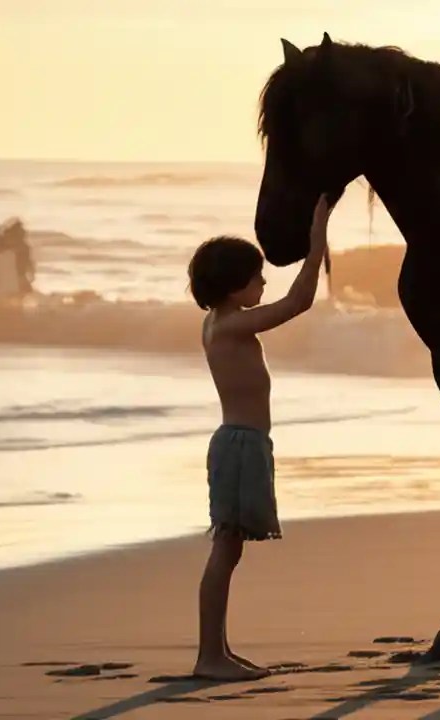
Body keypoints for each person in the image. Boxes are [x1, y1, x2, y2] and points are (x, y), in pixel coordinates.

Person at [184, 195, 332, 680]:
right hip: (240, 445)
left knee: (230, 549)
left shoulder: (218, 321)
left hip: (243, 444)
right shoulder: (229, 325)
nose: (264, 283)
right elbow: (298, 302)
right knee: (225, 549)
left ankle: (219, 650)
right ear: (233, 285)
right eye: (256, 277)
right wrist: (316, 241)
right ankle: (209, 656)